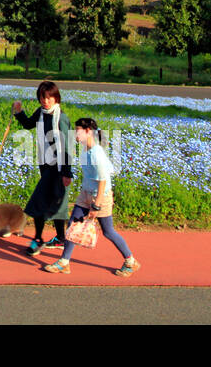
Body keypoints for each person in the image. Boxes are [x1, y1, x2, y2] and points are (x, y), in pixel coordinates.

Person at [44, 117, 140, 277]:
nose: (75, 134)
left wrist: (96, 205)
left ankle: (130, 261)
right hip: (86, 194)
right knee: (73, 226)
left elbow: (103, 180)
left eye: (78, 131)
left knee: (108, 231)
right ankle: (64, 263)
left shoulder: (96, 153)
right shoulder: (85, 150)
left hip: (99, 197)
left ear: (88, 132)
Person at [12, 80, 74, 255]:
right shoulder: (41, 113)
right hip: (45, 164)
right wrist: (19, 112)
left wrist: (67, 173)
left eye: (49, 97)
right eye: (42, 97)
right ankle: (61, 238)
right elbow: (28, 124)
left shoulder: (61, 119)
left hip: (58, 168)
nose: (46, 101)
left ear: (56, 98)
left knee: (38, 202)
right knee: (55, 201)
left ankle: (38, 239)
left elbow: (67, 147)